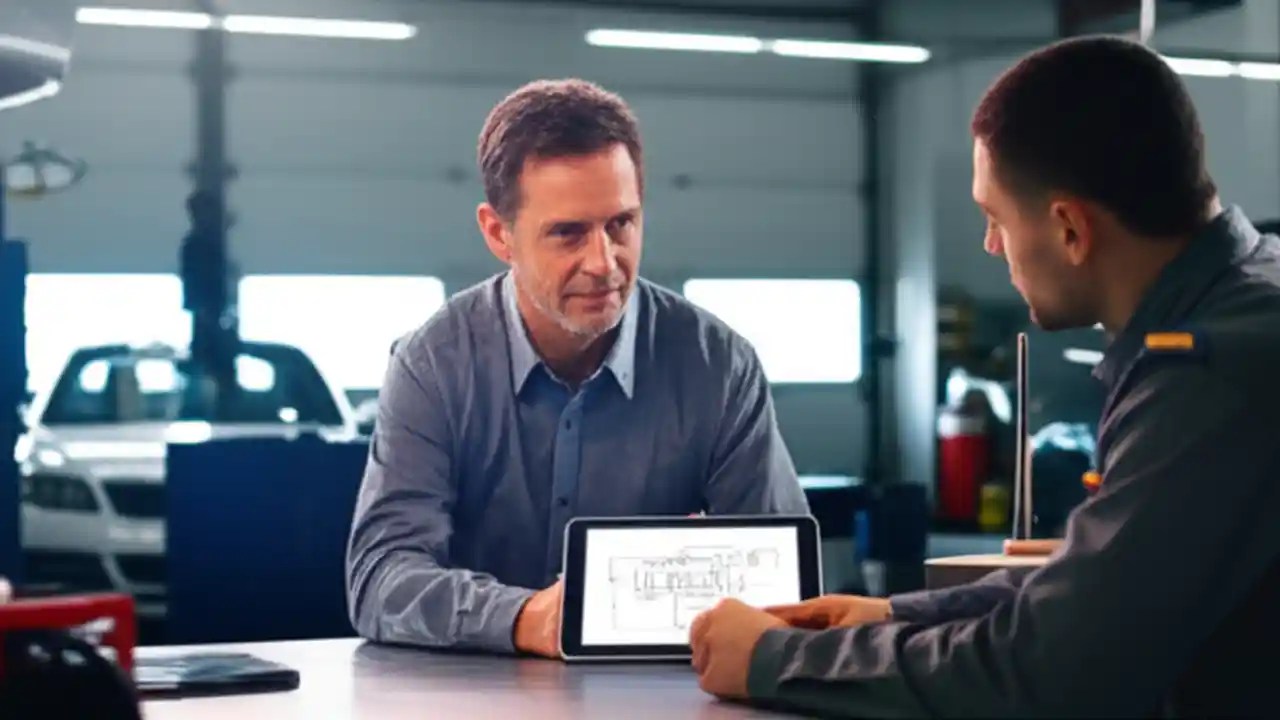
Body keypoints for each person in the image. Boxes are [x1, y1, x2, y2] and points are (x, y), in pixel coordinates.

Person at [690, 35, 1280, 717]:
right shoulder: (1242, 304)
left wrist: (772, 660)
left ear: (1069, 229)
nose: (990, 245)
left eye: (995, 217)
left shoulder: (1211, 374)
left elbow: (1051, 667)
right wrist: (890, 617)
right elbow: (1097, 595)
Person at [346, 78, 809, 659]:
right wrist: (526, 618)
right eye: (568, 233)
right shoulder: (432, 365)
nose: (604, 263)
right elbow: (381, 578)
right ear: (498, 233)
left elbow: (782, 588)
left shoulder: (718, 366)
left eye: (621, 224)